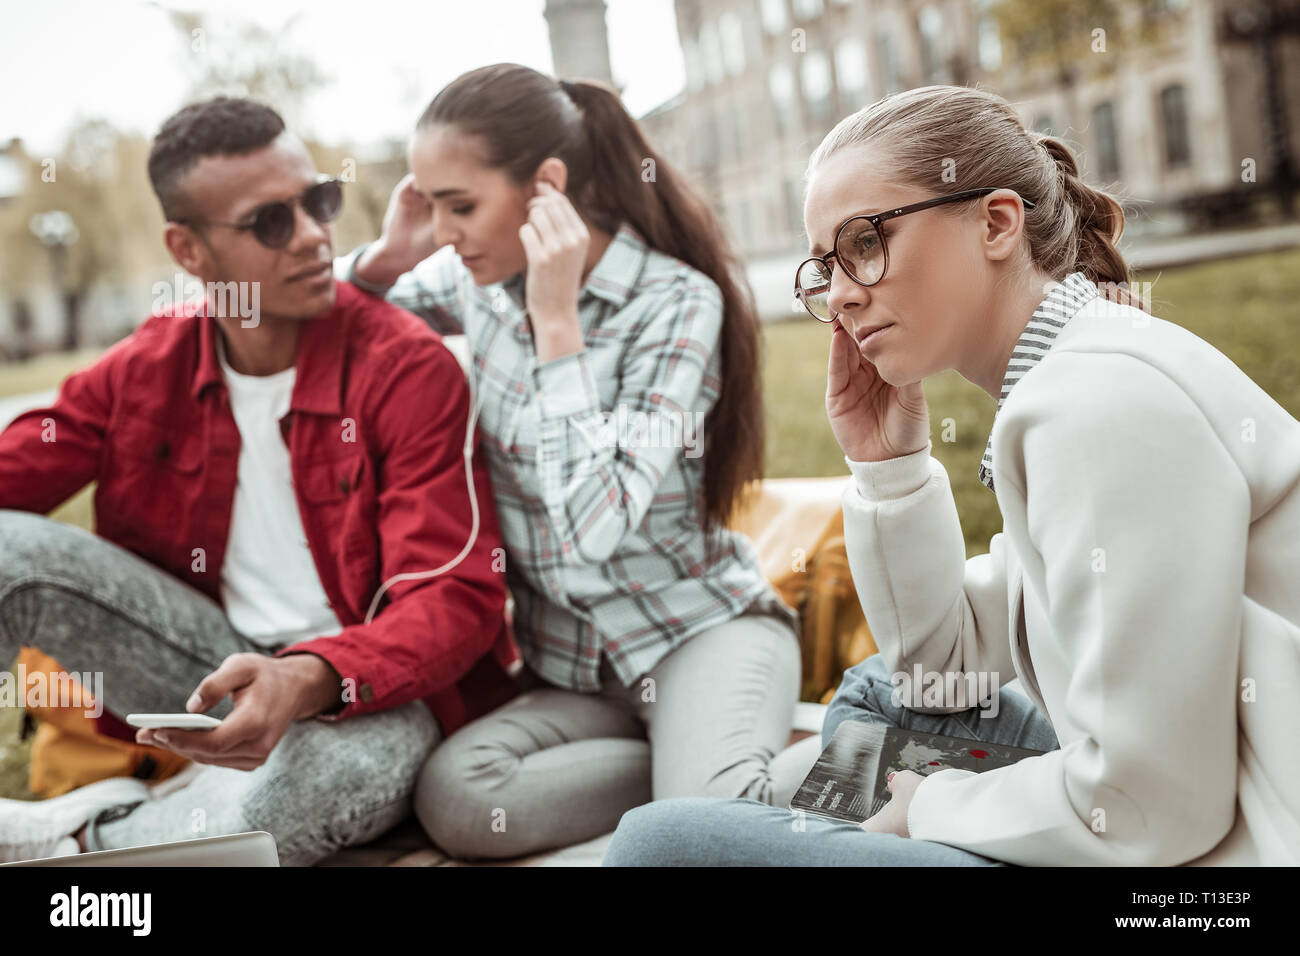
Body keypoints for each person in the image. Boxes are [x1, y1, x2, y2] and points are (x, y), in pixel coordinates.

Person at [603, 84, 1300, 867]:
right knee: (878, 695)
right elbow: (946, 668)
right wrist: (890, 473)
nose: (838, 296)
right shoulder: (1070, 373)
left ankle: (815, 831)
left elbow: (1151, 811)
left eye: (865, 242)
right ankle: (820, 829)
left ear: (996, 223)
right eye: (824, 266)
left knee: (660, 845)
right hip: (1183, 807)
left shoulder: (1101, 403)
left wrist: (931, 806)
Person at [0, 96, 516, 866]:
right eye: (271, 222)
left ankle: (88, 840)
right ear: (189, 251)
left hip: (368, 688)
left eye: (319, 201)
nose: (313, 234)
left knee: (304, 793)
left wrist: (310, 677)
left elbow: (455, 598)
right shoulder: (148, 368)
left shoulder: (404, 368)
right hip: (208, 665)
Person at [337, 63, 803, 860]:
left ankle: (773, 764)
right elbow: (347, 328)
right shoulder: (471, 280)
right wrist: (386, 256)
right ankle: (690, 772)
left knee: (702, 837)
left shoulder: (677, 302)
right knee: (458, 796)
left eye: (462, 205)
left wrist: (558, 328)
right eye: (432, 205)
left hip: (695, 634)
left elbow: (594, 526)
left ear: (546, 185)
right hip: (576, 673)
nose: (446, 232)